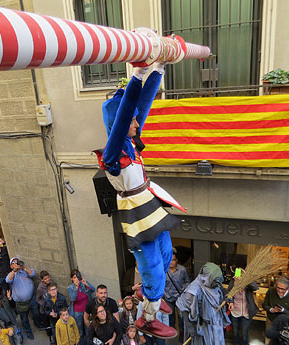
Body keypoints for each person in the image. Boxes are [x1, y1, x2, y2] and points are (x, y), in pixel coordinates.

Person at [94, 63, 185, 339]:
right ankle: (148, 318)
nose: (137, 123)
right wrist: (136, 76)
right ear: (120, 123)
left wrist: (158, 70)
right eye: (132, 120)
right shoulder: (113, 152)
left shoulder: (131, 142)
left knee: (167, 253)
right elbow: (125, 117)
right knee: (154, 270)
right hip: (135, 212)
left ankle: (153, 298)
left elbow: (141, 107)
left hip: (148, 203)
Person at [176, 262, 231, 345]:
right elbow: (182, 307)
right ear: (206, 278)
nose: (218, 284)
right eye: (216, 281)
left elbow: (220, 290)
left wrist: (226, 297)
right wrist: (191, 327)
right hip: (201, 327)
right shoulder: (193, 291)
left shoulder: (214, 284)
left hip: (215, 323)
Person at [5, 257, 38, 340]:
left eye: (17, 262)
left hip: (31, 299)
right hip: (21, 303)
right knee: (24, 319)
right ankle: (28, 332)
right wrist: (14, 271)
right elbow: (7, 280)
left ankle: (38, 325)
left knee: (36, 313)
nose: (16, 264)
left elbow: (32, 273)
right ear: (11, 266)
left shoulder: (25, 271)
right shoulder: (12, 275)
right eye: (14, 263)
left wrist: (24, 267)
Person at [227, 272, 259, 345]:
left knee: (245, 333)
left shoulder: (248, 284)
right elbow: (229, 295)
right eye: (239, 274)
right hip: (235, 312)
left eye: (242, 275)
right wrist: (231, 302)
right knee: (235, 333)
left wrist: (247, 279)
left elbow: (255, 288)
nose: (239, 277)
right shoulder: (233, 283)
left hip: (246, 313)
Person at [164, 250, 189, 336]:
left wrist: (184, 293)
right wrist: (164, 293)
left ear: (177, 260)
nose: (171, 262)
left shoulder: (182, 270)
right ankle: (172, 332)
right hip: (168, 297)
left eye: (173, 260)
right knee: (170, 316)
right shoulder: (164, 270)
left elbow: (187, 281)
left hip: (180, 297)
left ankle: (182, 332)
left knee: (181, 316)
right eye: (169, 260)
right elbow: (161, 283)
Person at [68, 269, 95, 342]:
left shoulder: (84, 284)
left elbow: (93, 290)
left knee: (88, 330)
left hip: (87, 311)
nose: (76, 279)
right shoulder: (70, 288)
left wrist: (86, 283)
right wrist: (76, 288)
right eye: (74, 277)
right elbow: (72, 298)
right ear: (71, 279)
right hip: (77, 312)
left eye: (77, 277)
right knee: (80, 331)